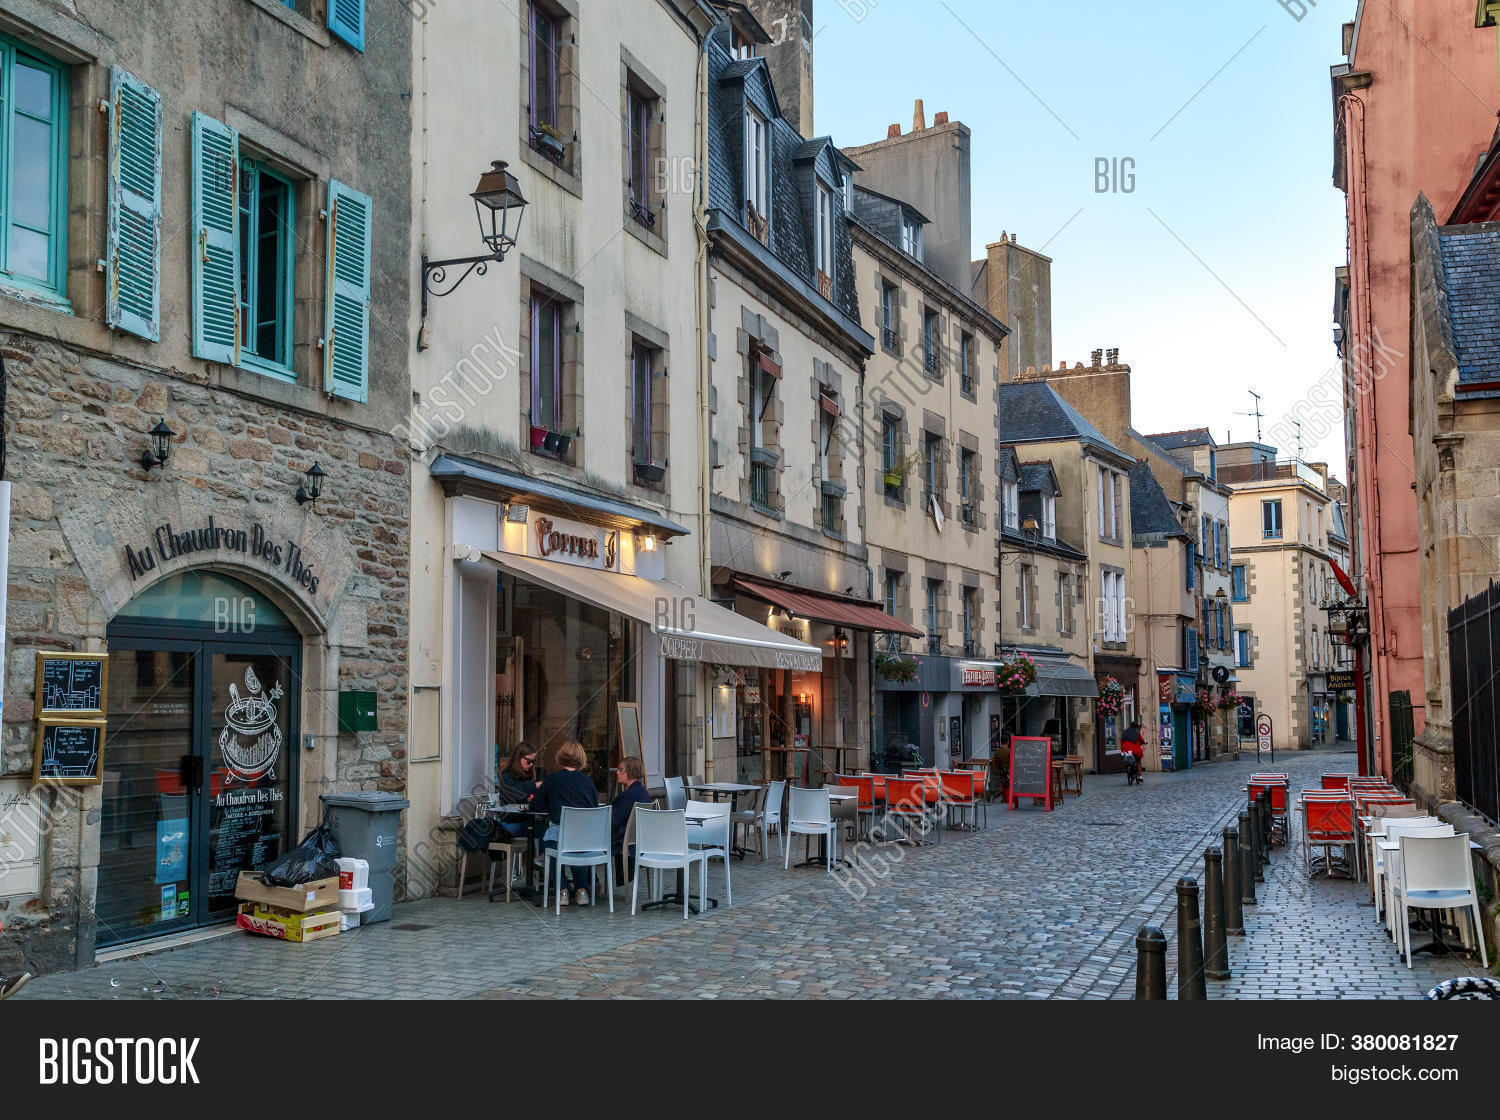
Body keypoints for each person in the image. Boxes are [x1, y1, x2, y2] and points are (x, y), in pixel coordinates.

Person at [531, 740, 599, 905]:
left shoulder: (552, 780)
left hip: (559, 835)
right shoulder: (588, 782)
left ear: (561, 757)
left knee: (550, 843)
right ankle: (582, 891)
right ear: (581, 758)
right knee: (577, 845)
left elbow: (535, 805)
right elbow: (594, 809)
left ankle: (562, 891)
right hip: (582, 838)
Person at [611, 757, 652, 862]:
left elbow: (612, 822)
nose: (617, 773)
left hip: (624, 843)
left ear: (630, 772)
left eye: (621, 770)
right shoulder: (644, 792)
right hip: (640, 841)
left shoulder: (628, 796)